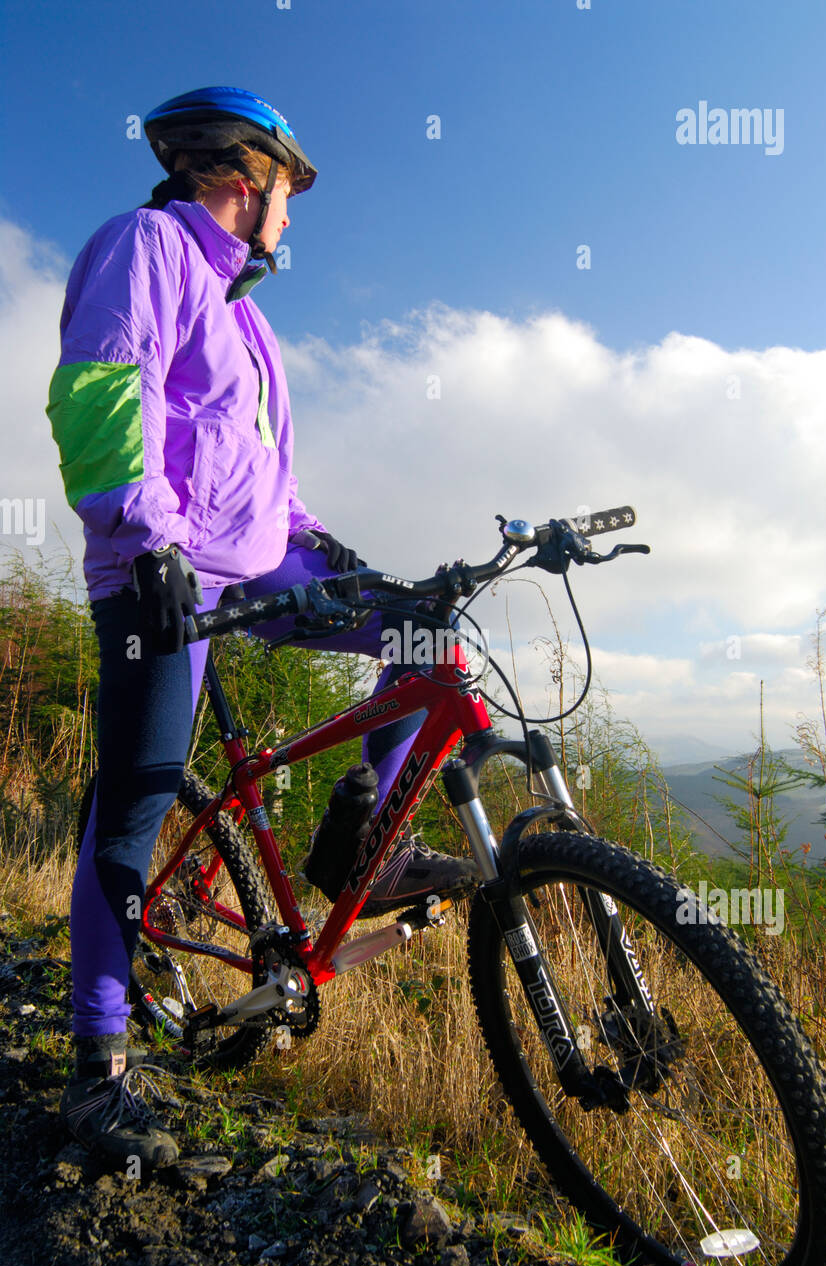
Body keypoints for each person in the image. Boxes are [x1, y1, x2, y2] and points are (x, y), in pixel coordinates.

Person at [46, 87, 478, 1170]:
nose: (295, 217)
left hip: (255, 562)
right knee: (138, 797)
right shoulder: (145, 245)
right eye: (291, 193)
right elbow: (100, 391)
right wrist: (143, 542)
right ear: (248, 179)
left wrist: (350, 566)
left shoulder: (250, 325)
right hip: (162, 565)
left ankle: (365, 850)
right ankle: (95, 1068)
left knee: (424, 635)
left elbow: (275, 493)